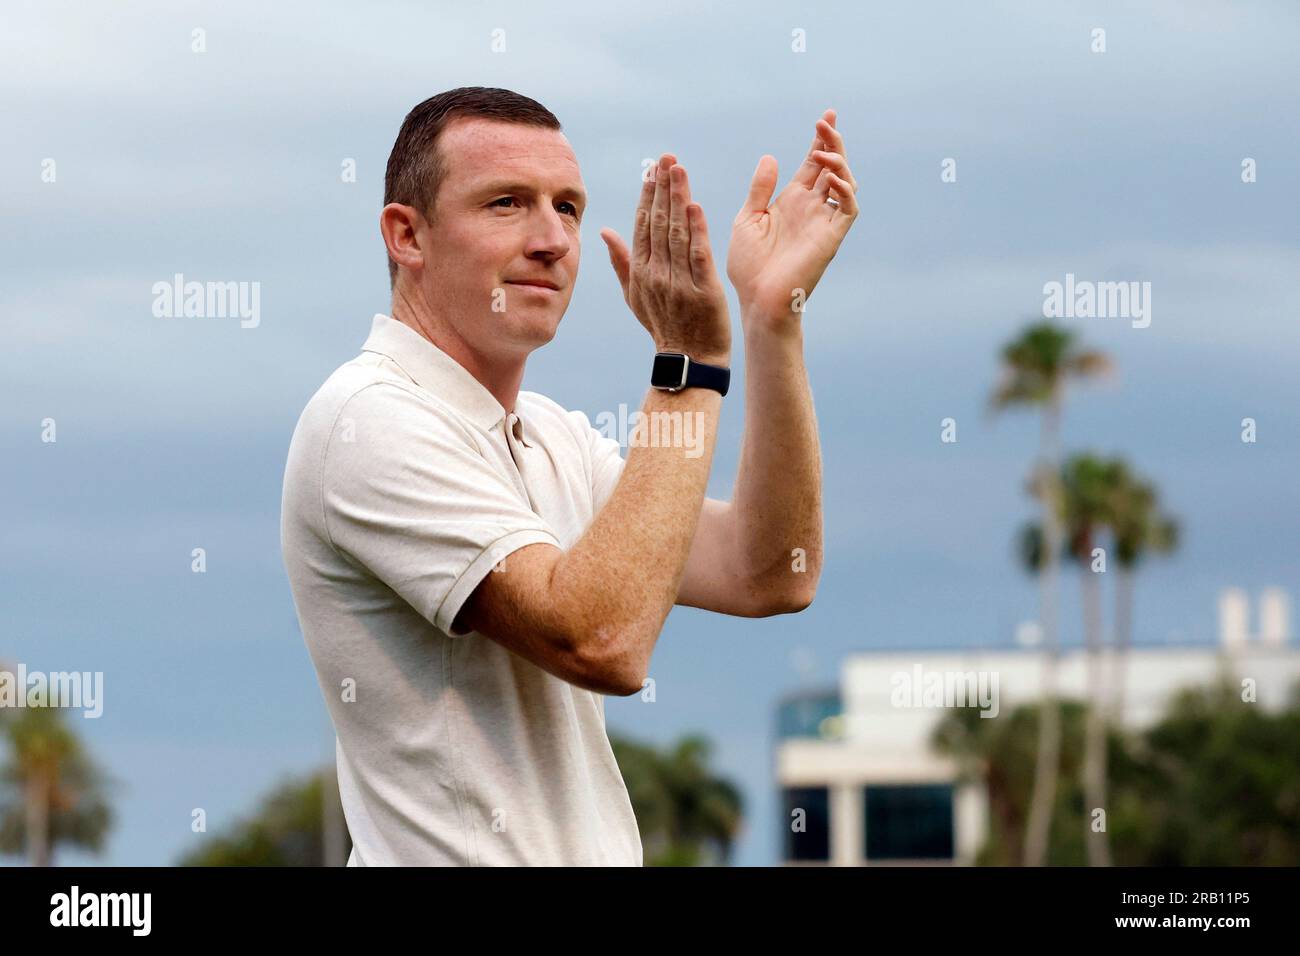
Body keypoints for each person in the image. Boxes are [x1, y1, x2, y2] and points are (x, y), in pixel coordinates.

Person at [280, 86, 859, 866]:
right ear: (406, 235)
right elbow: (603, 640)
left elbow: (771, 573)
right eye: (507, 203)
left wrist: (770, 319)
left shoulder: (552, 436)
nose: (552, 239)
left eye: (571, 208)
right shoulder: (366, 418)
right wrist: (685, 369)